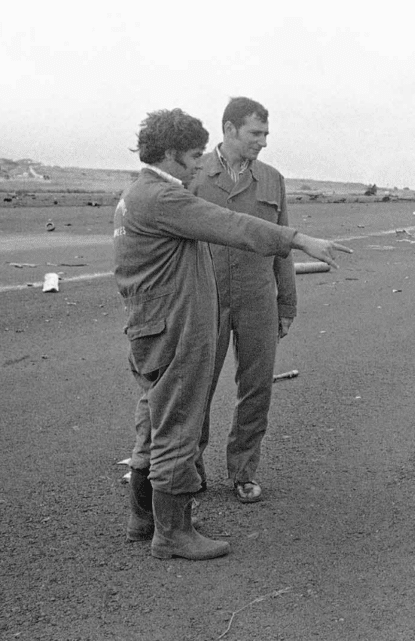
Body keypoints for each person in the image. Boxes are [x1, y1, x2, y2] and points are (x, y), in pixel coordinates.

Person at [115, 108, 351, 560]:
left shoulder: (136, 193)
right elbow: (233, 226)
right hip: (175, 327)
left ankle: (145, 518)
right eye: (188, 158)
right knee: (179, 422)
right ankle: (173, 533)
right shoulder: (164, 197)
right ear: (168, 155)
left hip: (153, 322)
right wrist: (300, 239)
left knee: (157, 417)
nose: (193, 167)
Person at [188, 97, 290, 504]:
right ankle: (190, 469)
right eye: (255, 133)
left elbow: (282, 242)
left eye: (266, 133)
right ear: (229, 130)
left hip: (257, 298)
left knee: (257, 387)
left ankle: (243, 471)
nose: (263, 142)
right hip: (205, 299)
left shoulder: (272, 179)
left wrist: (287, 305)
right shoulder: (194, 177)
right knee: (197, 387)